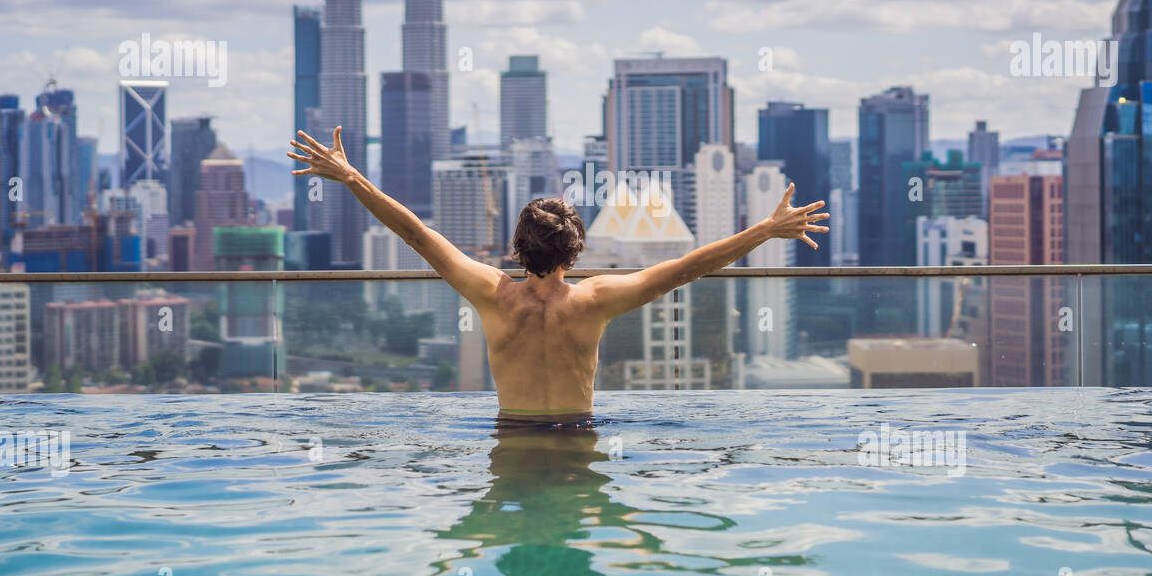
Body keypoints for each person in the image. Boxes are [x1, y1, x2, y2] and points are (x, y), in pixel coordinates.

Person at [289, 126, 829, 418]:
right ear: (574, 251)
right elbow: (685, 268)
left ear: (517, 249)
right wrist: (764, 230)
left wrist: (352, 177)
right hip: (577, 440)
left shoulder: (491, 293)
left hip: (512, 443)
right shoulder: (595, 300)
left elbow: (413, 234)